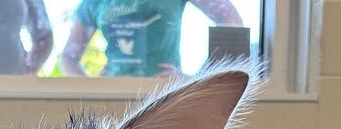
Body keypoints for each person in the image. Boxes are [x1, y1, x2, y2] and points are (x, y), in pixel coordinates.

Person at [60, 0, 243, 78]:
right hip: (113, 91)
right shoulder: (94, 3)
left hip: (162, 91)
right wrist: (90, 86)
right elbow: (69, 57)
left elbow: (231, 21)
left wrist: (199, 79)